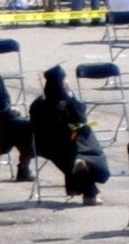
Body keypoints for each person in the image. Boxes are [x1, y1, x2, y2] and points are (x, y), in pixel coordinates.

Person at [26, 65, 110, 204]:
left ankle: (85, 177)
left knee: (90, 152)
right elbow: (39, 129)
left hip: (76, 138)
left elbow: (81, 118)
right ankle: (90, 194)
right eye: (64, 79)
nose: (67, 82)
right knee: (71, 156)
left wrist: (70, 98)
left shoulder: (67, 97)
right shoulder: (40, 104)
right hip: (51, 143)